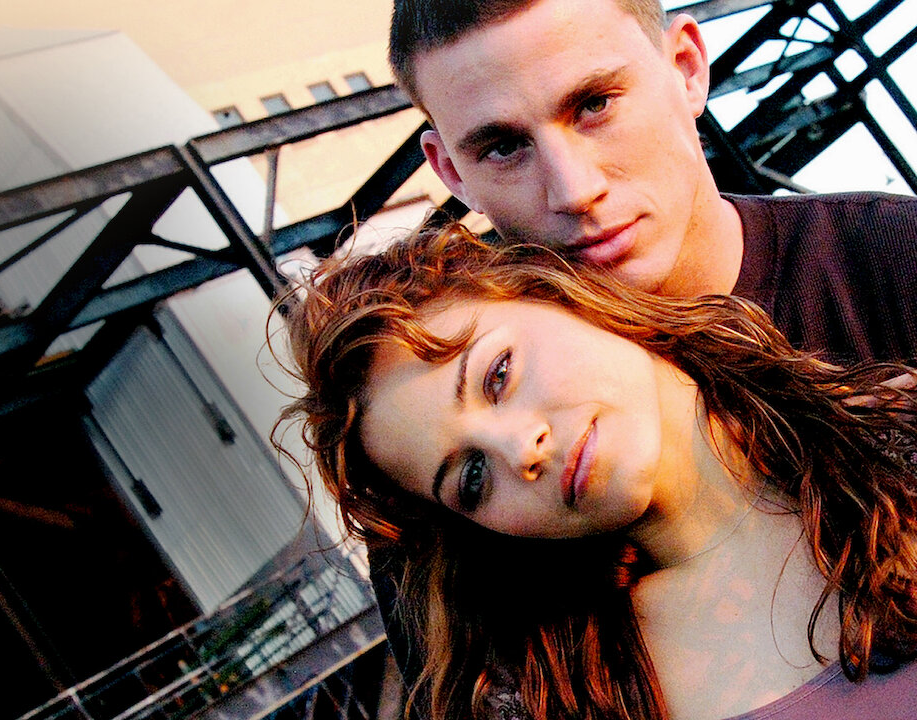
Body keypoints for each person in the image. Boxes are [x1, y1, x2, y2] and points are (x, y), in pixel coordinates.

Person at [372, 0, 917, 698]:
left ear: (686, 67)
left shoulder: (895, 260)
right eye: (504, 147)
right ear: (451, 173)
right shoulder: (448, 525)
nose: (575, 190)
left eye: (594, 105)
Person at [274, 221, 917, 720]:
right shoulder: (562, 702)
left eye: (498, 375)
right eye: (471, 478)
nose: (519, 449)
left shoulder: (899, 440)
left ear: (560, 295)